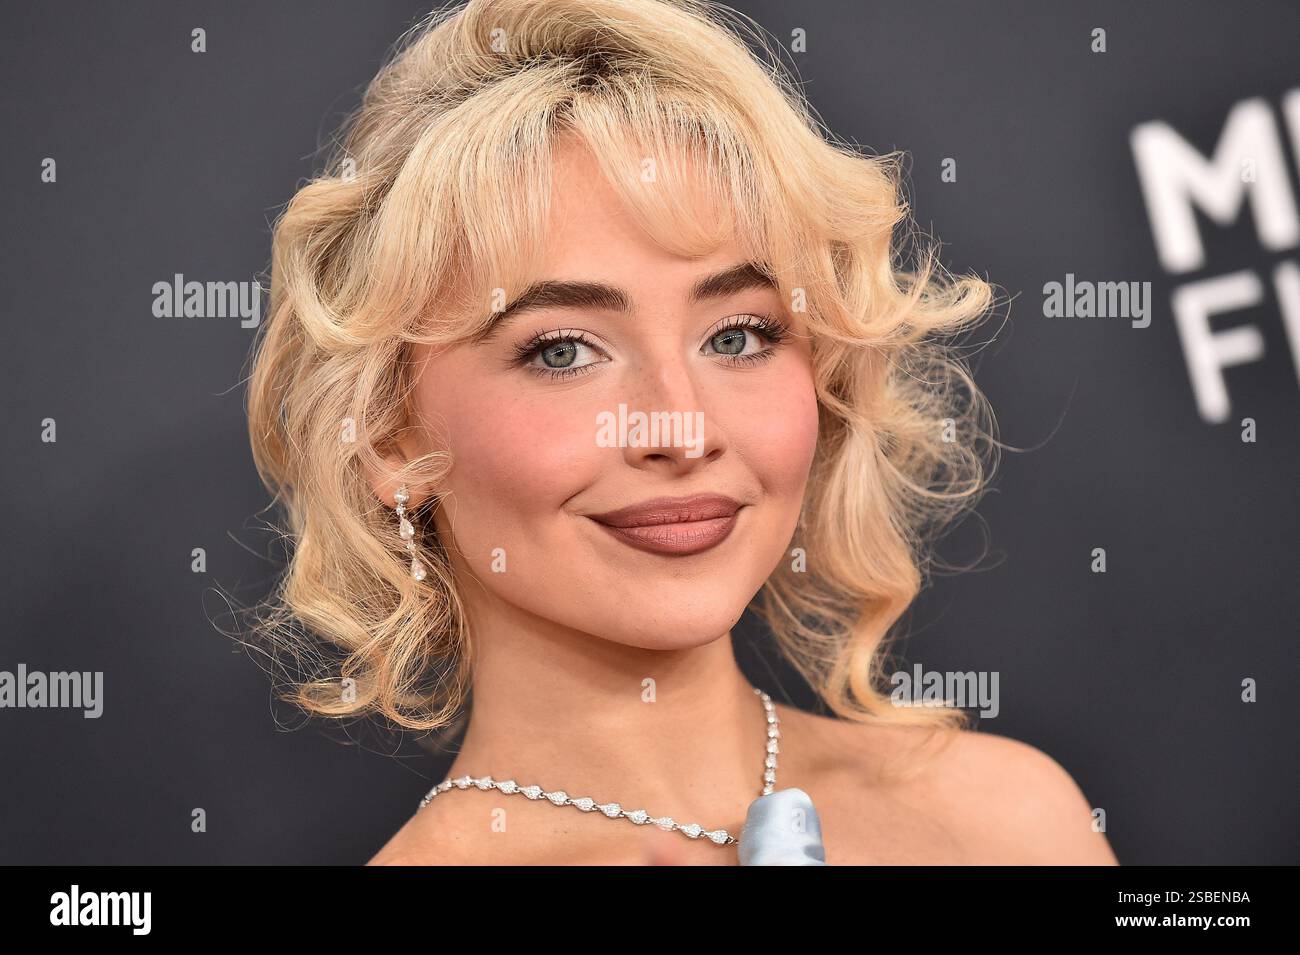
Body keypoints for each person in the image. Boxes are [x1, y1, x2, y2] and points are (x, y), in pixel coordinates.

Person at [244, 0, 1119, 866]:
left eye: (737, 336)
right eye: (562, 351)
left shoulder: (1010, 818)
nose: (681, 427)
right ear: (390, 438)